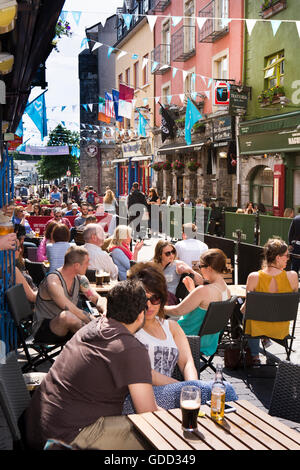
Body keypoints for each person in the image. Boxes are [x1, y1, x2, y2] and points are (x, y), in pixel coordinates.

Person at [25, 279, 159, 450]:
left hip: (38, 428)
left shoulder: (93, 327)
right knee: (155, 438)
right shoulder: (131, 349)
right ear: (141, 314)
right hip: (68, 439)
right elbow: (148, 413)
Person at [122, 262, 238, 414]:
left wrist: (192, 386)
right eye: (143, 299)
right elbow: (145, 373)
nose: (149, 305)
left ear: (162, 298)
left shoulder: (171, 327)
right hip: (137, 397)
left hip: (169, 394)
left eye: (155, 298)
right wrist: (184, 388)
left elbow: (187, 362)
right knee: (225, 389)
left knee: (219, 393)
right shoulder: (130, 328)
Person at [32, 245, 106, 345]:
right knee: (67, 316)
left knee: (71, 317)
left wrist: (105, 310)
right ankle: (101, 340)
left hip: (68, 328)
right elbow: (72, 310)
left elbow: (97, 298)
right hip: (44, 330)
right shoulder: (53, 281)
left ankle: (100, 340)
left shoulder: (80, 279)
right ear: (76, 265)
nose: (89, 265)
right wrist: (97, 323)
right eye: (86, 262)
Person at [241, 238, 298, 365]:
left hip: (257, 329)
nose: (288, 258)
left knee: (244, 312)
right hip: (280, 329)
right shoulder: (292, 276)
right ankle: (265, 339)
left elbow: (246, 308)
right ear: (278, 258)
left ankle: (255, 355)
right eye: (286, 255)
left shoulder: (254, 277)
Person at [164, 249, 231, 357]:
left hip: (188, 338)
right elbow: (205, 307)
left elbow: (177, 311)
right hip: (209, 341)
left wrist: (157, 307)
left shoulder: (203, 291)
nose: (200, 270)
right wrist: (192, 291)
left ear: (208, 268)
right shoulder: (226, 290)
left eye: (201, 266)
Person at [153, 240, 203, 304]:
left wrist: (189, 270)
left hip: (169, 299)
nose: (171, 255)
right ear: (160, 255)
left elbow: (200, 281)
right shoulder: (153, 266)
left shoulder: (178, 264)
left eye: (173, 252)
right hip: (154, 297)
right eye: (168, 253)